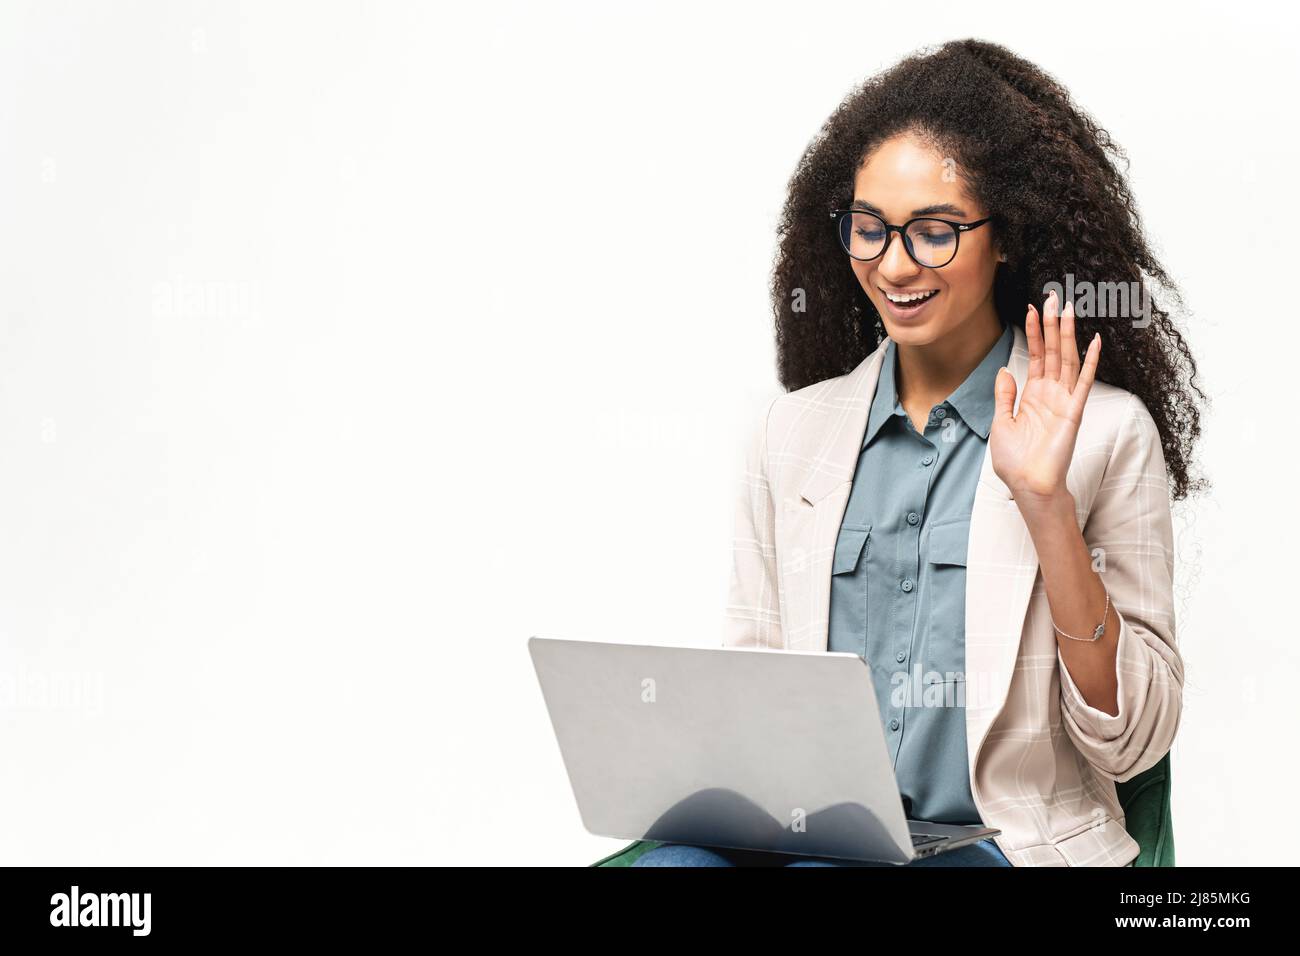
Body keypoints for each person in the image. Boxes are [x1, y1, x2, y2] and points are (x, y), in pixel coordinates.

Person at [633, 39, 1204, 868]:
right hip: (813, 831)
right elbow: (750, 683)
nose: (894, 266)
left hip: (995, 841)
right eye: (869, 230)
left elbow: (1135, 743)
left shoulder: (1107, 434)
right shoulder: (789, 435)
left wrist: (1047, 510)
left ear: (1003, 237)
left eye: (934, 232)